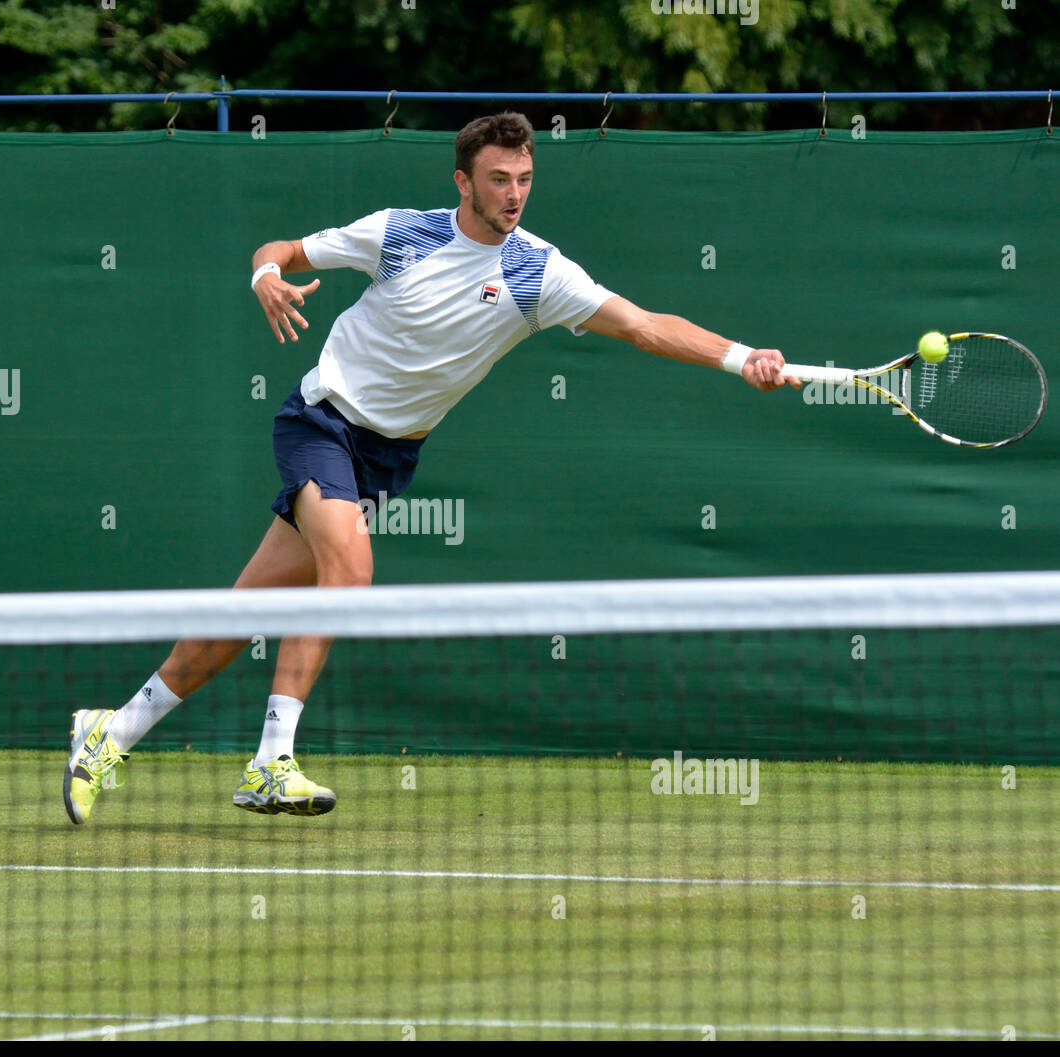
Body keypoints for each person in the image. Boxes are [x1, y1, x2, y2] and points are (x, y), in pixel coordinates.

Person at [63, 111, 797, 826]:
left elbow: (643, 326)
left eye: (526, 179)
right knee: (348, 568)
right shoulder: (399, 233)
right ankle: (271, 763)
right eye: (499, 178)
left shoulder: (538, 272)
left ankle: (111, 733)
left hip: (389, 456)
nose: (514, 193)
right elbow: (282, 248)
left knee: (243, 613)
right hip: (322, 420)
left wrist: (741, 359)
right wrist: (264, 274)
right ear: (463, 181)